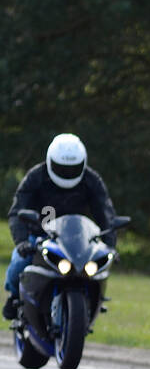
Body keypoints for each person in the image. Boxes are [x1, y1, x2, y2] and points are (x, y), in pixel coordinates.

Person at [5, 134, 118, 320]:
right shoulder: (36, 176)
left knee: (98, 269)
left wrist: (110, 244)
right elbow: (17, 211)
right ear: (50, 161)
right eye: (61, 168)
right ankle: (14, 296)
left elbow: (105, 212)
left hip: (77, 240)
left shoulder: (91, 180)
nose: (67, 173)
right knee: (19, 262)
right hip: (40, 236)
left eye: (72, 169)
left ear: (83, 164)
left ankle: (93, 301)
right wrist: (22, 241)